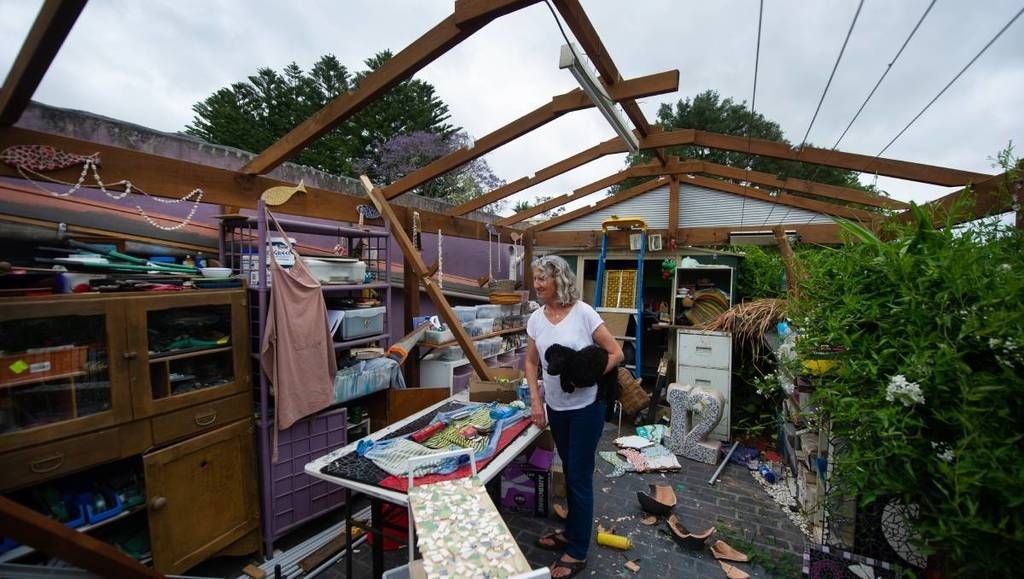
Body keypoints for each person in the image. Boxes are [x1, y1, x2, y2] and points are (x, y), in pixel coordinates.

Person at [524, 255, 623, 579]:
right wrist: (536, 402)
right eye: (535, 278)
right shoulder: (536, 319)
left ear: (559, 280)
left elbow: (616, 353)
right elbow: (531, 363)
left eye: (542, 278)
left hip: (586, 408)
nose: (537, 284)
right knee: (569, 471)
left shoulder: (583, 313)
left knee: (579, 477)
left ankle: (577, 552)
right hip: (556, 408)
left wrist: (590, 373)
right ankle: (571, 532)